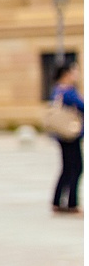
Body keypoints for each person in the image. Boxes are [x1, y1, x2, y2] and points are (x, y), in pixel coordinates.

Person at [49, 60, 83, 215]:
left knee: (66, 168)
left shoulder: (57, 90)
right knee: (76, 168)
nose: (77, 74)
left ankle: (57, 201)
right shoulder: (69, 91)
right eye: (74, 71)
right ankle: (71, 204)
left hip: (61, 134)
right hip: (71, 134)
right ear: (67, 74)